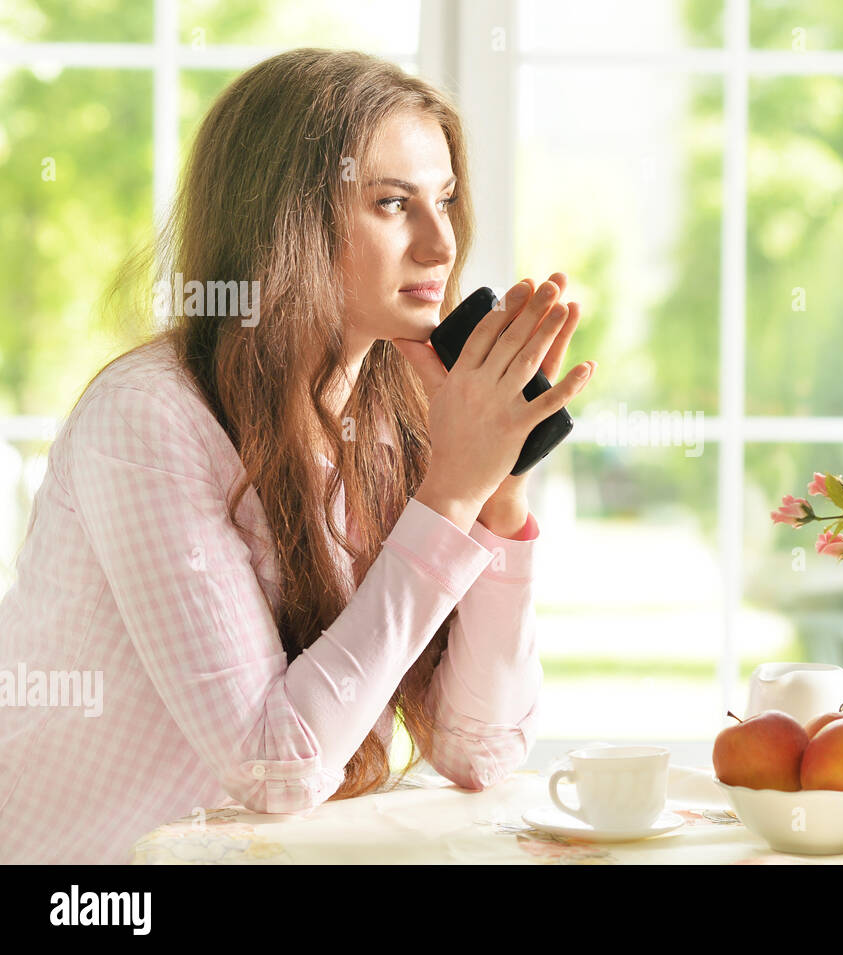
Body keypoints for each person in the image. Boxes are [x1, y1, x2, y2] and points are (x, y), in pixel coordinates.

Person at [0, 48, 596, 864]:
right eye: (393, 204)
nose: (439, 245)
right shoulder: (148, 420)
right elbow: (270, 765)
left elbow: (481, 750)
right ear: (285, 221)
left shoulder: (395, 406)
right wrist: (450, 496)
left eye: (446, 200)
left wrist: (497, 493)